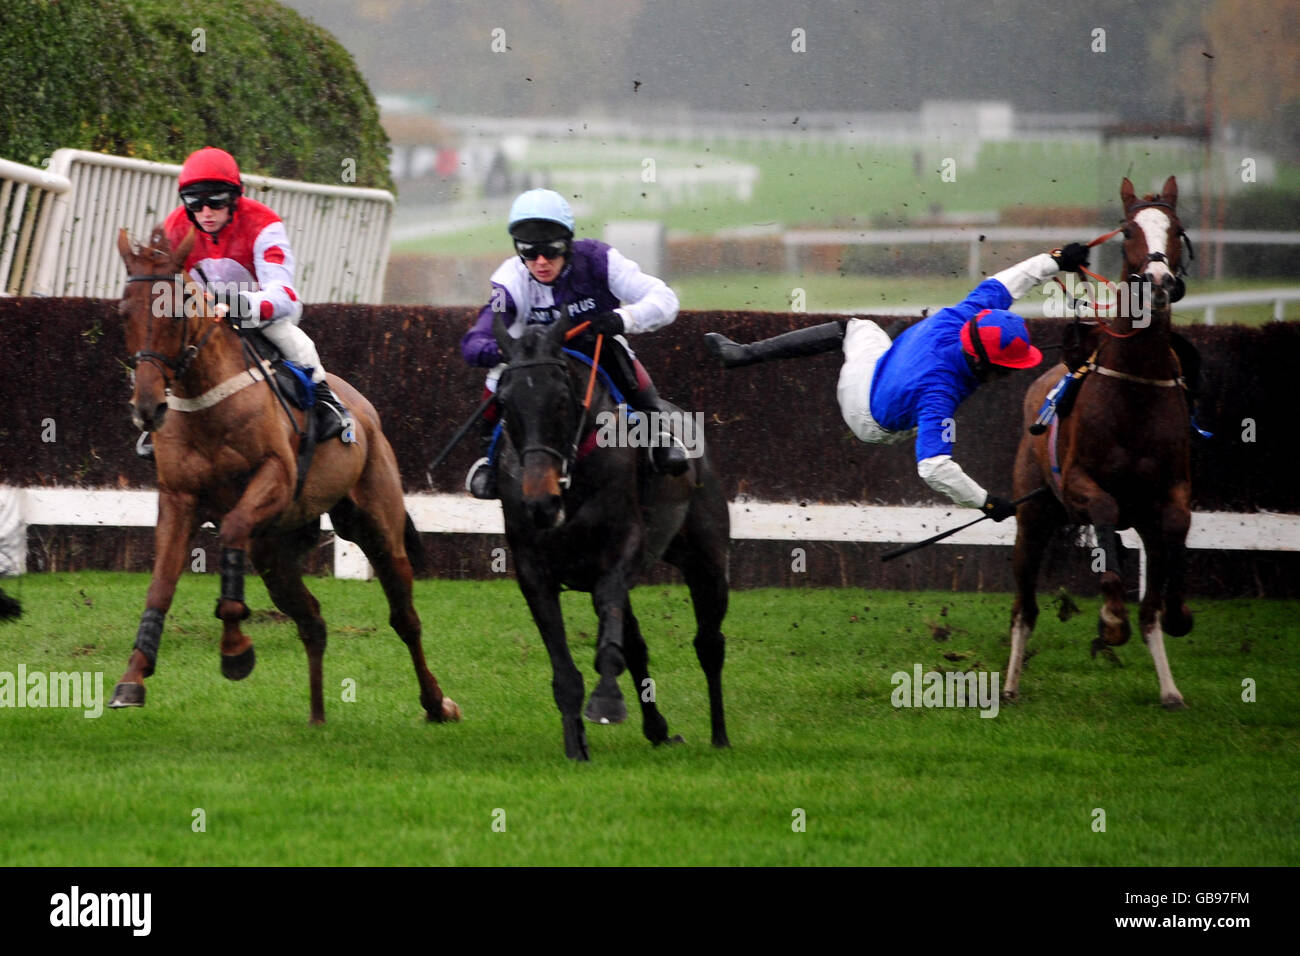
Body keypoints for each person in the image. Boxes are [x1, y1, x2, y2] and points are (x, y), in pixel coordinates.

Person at [704, 243, 1093, 518]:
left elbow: (1010, 282)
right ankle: (748, 354)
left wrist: (1056, 259)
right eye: (1007, 367)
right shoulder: (939, 390)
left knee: (859, 328)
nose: (1010, 373)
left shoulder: (968, 313)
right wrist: (986, 502)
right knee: (860, 330)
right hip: (868, 419)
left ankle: (745, 353)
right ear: (980, 361)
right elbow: (934, 468)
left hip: (883, 369)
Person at [460, 188, 688, 499]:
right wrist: (499, 350)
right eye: (528, 252)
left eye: (551, 251)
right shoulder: (508, 279)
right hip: (538, 362)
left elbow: (665, 299)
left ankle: (658, 437)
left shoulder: (600, 259)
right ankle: (488, 459)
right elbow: (478, 336)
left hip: (595, 350)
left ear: (567, 243)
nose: (540, 262)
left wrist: (624, 318)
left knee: (620, 352)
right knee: (500, 374)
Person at [151, 146, 352, 453]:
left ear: (234, 198)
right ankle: (157, 415)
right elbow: (160, 289)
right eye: (195, 202)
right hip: (202, 315)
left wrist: (235, 305)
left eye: (215, 202)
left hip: (260, 312)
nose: (205, 212)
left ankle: (329, 403)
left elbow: (283, 294)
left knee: (298, 344)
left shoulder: (264, 223)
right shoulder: (175, 227)